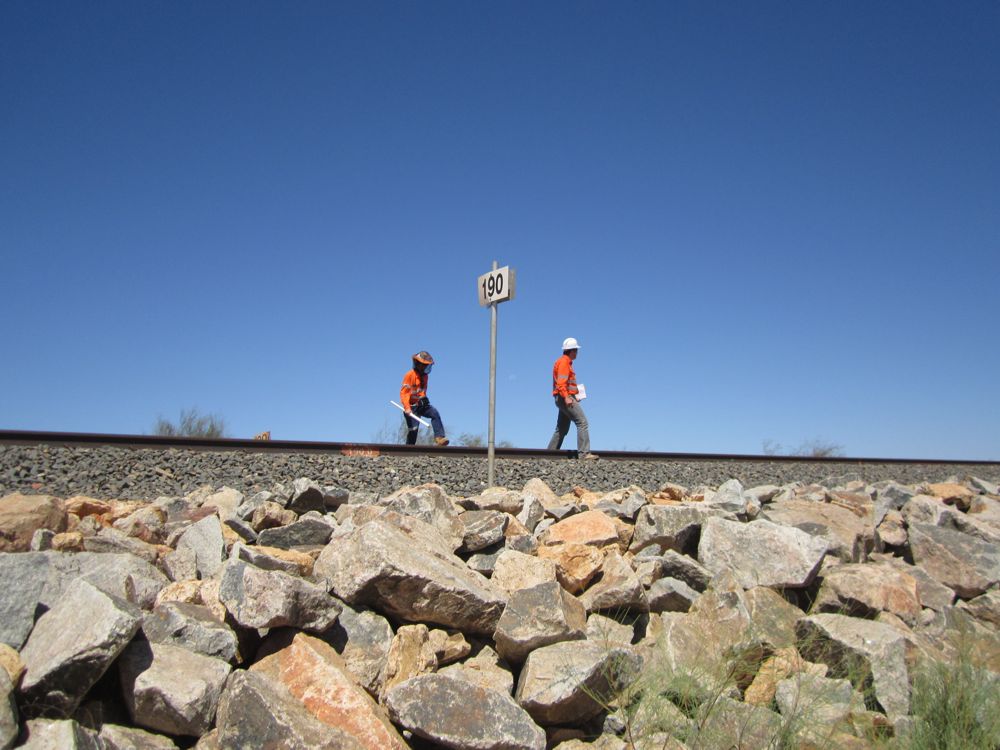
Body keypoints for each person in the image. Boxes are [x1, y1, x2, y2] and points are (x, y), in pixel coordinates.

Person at [547, 337, 598, 459]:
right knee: (582, 422)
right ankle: (584, 454)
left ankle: (549, 454)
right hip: (565, 398)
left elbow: (566, 383)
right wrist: (567, 397)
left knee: (562, 428)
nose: (577, 353)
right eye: (576, 350)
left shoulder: (565, 362)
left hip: (564, 397)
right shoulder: (564, 363)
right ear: (572, 351)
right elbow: (561, 383)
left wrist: (574, 395)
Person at [400, 351, 449, 446]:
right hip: (411, 407)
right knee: (413, 430)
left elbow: (422, 390)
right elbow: (404, 393)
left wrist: (423, 398)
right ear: (418, 364)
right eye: (424, 365)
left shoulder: (425, 377)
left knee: (434, 413)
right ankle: (408, 449)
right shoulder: (409, 375)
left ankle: (440, 438)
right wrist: (407, 408)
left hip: (421, 405)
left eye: (427, 365)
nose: (426, 368)